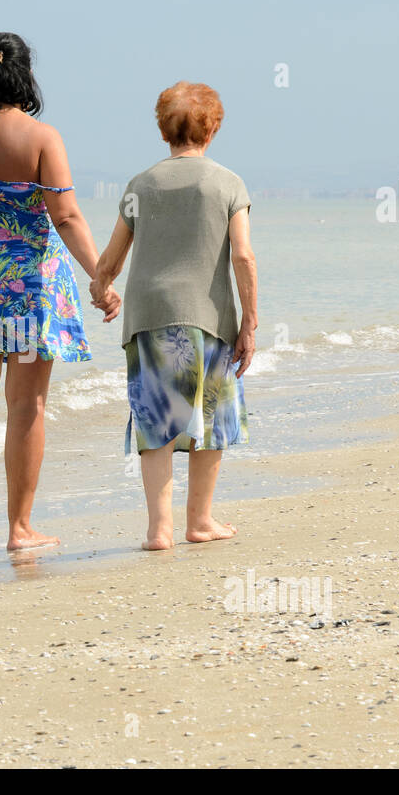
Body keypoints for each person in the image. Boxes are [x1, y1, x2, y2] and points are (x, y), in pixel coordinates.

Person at [0, 32, 117, 552]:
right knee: (27, 406)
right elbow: (67, 215)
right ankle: (19, 529)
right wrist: (101, 274)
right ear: (25, 74)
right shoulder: (41, 137)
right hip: (30, 291)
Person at [92, 81, 257, 551]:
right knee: (210, 416)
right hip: (207, 316)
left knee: (156, 421)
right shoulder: (227, 183)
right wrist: (250, 320)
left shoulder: (140, 185)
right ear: (214, 127)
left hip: (147, 314)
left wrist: (101, 287)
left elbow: (113, 255)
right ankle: (199, 521)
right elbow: (243, 258)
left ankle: (158, 530)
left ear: (164, 129)